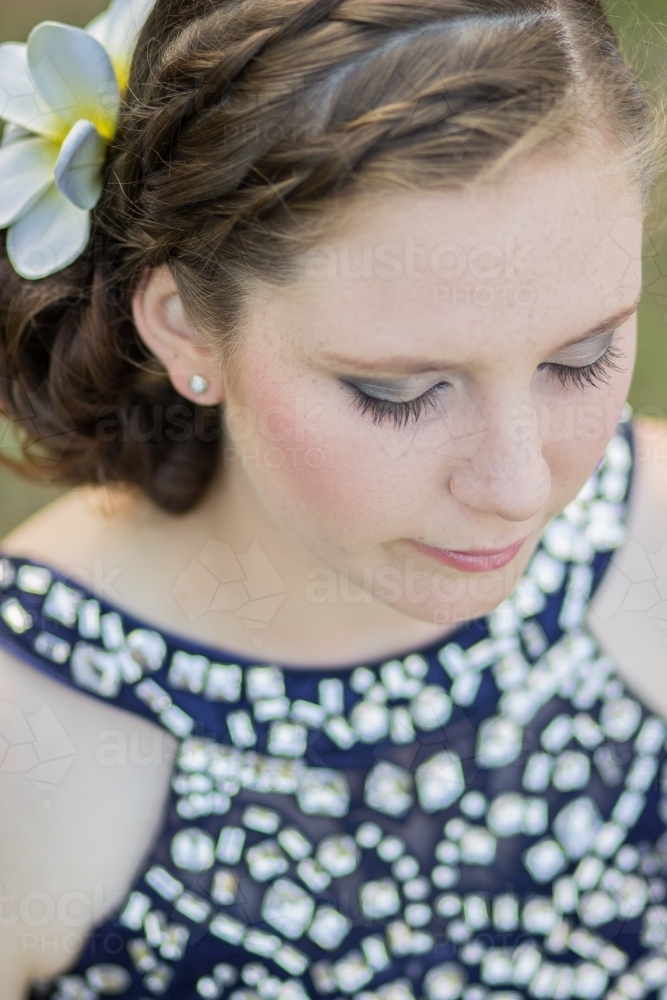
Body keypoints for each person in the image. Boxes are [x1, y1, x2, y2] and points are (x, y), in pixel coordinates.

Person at [0, 0, 666, 997]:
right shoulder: (29, 745)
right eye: (396, 390)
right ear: (185, 327)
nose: (520, 485)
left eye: (578, 358)